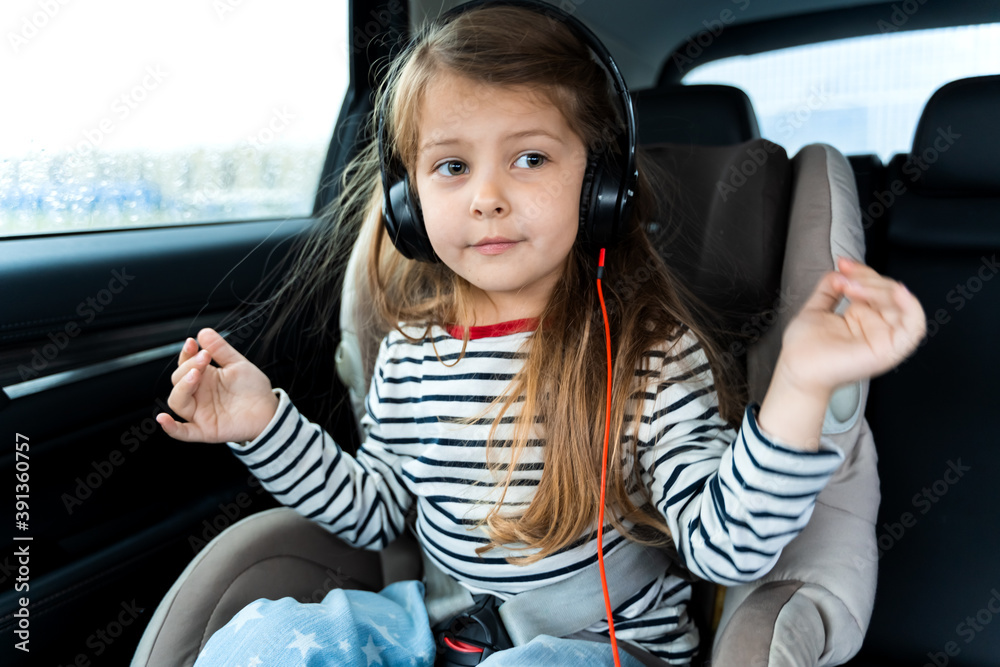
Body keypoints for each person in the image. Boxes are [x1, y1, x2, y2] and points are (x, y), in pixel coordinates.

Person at [154, 3, 926, 666]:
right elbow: (376, 510)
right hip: (439, 629)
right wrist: (263, 425)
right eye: (451, 166)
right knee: (265, 636)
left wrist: (798, 388)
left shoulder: (651, 354)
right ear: (406, 200)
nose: (486, 197)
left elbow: (725, 547)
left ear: (603, 187)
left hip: (601, 646)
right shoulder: (413, 351)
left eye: (529, 158)